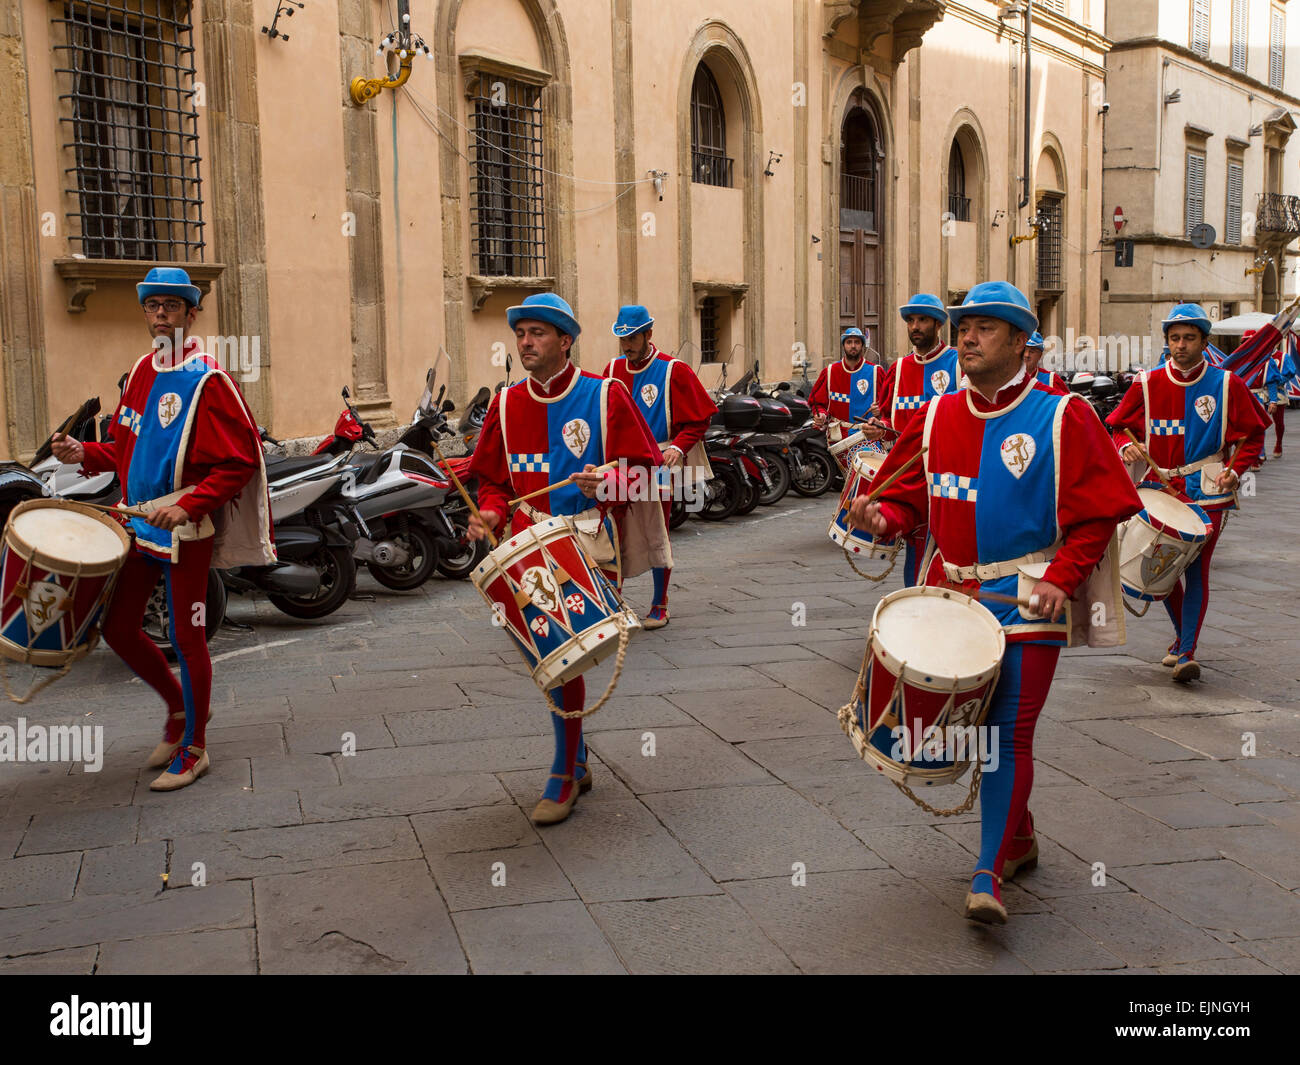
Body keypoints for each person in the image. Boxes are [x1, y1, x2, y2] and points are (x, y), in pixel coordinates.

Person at [848, 281, 1141, 925]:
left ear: (1019, 342)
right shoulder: (932, 418)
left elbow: (1101, 515)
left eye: (984, 328)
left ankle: (986, 875)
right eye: (964, 328)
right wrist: (884, 520)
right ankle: (1020, 834)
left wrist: (1063, 577)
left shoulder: (1066, 416)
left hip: (1030, 596)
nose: (967, 339)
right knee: (976, 732)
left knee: (1009, 733)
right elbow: (907, 503)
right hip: (952, 597)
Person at [51, 267, 274, 791]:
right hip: (135, 522)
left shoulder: (208, 381)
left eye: (171, 307)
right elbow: (128, 448)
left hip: (183, 530)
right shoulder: (141, 371)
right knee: (118, 628)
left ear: (190, 313)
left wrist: (191, 504)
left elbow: (239, 460)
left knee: (186, 635)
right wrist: (85, 452)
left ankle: (194, 749)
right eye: (152, 307)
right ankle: (178, 713)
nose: (159, 316)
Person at [467, 294, 666, 825]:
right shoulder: (504, 405)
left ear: (565, 341)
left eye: (537, 333)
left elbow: (647, 474)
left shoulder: (606, 396)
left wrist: (610, 480)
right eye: (521, 334)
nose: (525, 343)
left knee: (563, 655)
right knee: (548, 656)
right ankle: (576, 758)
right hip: (529, 548)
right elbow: (493, 483)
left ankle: (562, 772)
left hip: (588, 545)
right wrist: (488, 514)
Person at [1107, 303, 1271, 682]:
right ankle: (1183, 639)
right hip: (1159, 489)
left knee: (1196, 568)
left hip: (1208, 490)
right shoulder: (1145, 384)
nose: (1180, 345)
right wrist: (1123, 447)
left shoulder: (1227, 384)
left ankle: (1186, 652)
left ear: (1204, 341)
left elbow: (1253, 434)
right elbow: (1116, 426)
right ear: (1167, 341)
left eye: (1189, 338)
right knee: (1161, 570)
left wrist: (1235, 470)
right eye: (1175, 338)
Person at [603, 305, 716, 629]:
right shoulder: (611, 370)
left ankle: (659, 603)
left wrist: (679, 448)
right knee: (614, 529)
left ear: (648, 334)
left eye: (633, 337)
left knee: (657, 530)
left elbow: (698, 420)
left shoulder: (674, 370)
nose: (627, 345)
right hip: (619, 464)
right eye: (622, 338)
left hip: (658, 462)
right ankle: (615, 604)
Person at [870, 293, 963, 585]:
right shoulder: (897, 369)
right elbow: (889, 418)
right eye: (911, 320)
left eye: (922, 320)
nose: (915, 326)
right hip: (910, 479)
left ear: (937, 325)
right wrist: (879, 427)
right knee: (916, 550)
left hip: (950, 478)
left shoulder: (957, 363)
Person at [808, 327, 883, 437]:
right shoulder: (830, 371)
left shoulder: (876, 371)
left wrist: (880, 410)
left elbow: (889, 406)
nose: (853, 346)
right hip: (836, 437)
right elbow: (818, 404)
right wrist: (821, 415)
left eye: (857, 342)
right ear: (843, 345)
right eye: (849, 342)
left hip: (868, 436)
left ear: (862, 345)